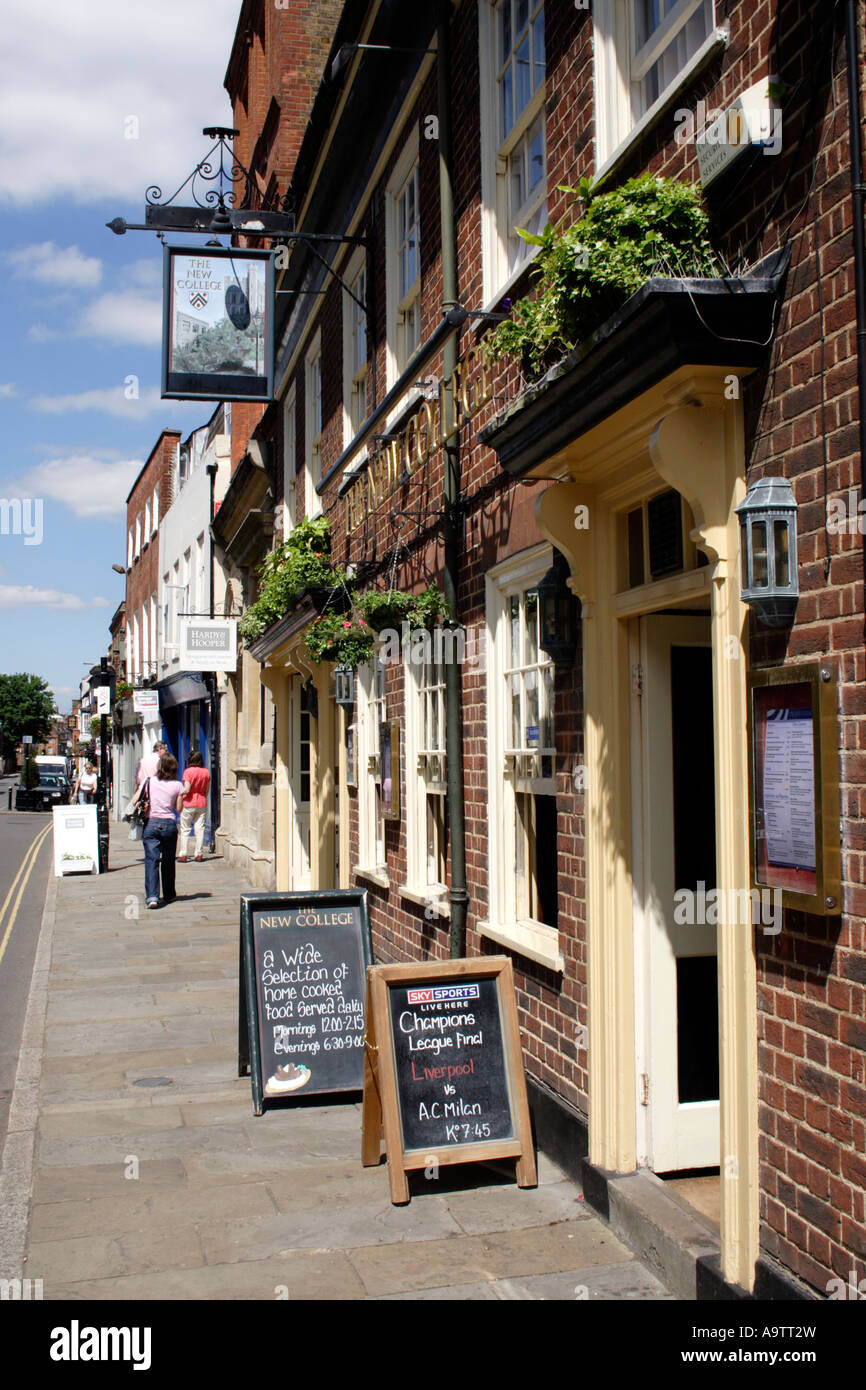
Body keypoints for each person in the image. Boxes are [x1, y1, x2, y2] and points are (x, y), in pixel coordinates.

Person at [134, 752, 184, 909]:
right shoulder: (178, 785)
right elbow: (179, 809)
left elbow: (135, 800)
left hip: (152, 824)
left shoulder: (149, 781)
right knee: (168, 861)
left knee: (151, 861)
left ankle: (152, 897)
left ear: (160, 766)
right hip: (169, 824)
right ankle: (169, 894)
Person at [178, 751, 211, 863]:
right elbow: (207, 790)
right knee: (200, 828)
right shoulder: (206, 772)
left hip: (188, 803)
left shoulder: (188, 772)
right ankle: (199, 853)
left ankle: (183, 853)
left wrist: (180, 795)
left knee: (185, 829)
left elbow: (186, 789)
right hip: (201, 802)